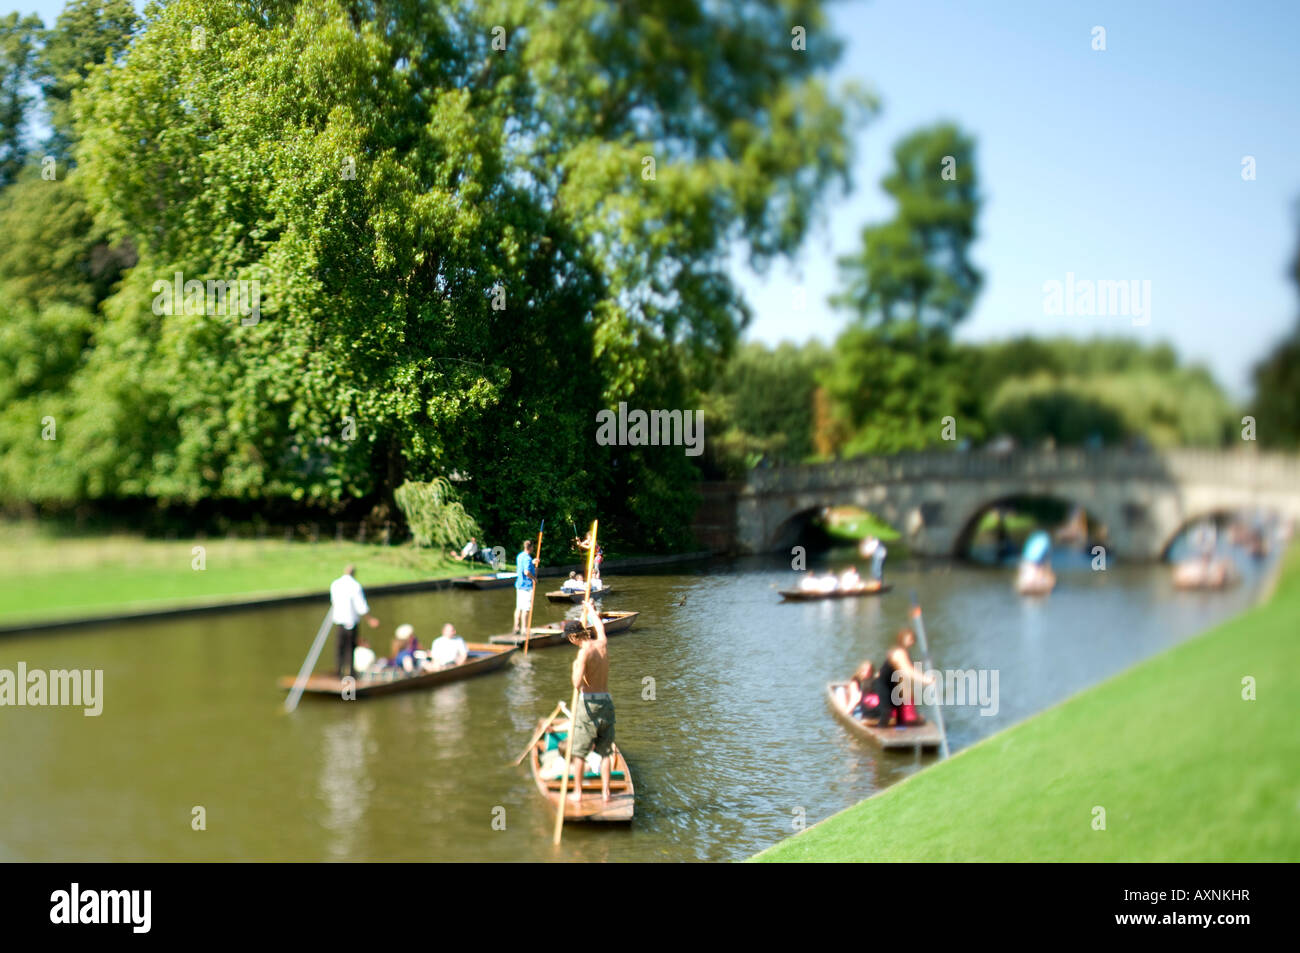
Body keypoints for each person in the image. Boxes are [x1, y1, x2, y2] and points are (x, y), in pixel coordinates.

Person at [564, 601, 615, 806]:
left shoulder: (583, 653)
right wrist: (590, 609)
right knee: (605, 751)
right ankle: (606, 793)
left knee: (578, 752)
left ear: (573, 637)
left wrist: (576, 667)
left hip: (590, 704)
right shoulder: (602, 643)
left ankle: (578, 792)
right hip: (607, 701)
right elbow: (600, 627)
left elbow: (577, 684)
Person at [872, 627, 935, 728]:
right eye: (909, 638)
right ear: (902, 639)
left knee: (899, 710)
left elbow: (908, 672)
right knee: (886, 712)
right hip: (884, 685)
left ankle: (900, 731)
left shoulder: (905, 653)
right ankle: (877, 732)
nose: (911, 641)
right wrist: (926, 680)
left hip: (894, 686)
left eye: (912, 638)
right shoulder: (898, 653)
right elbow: (908, 670)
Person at [329, 565, 380, 678]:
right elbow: (361, 607)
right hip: (351, 622)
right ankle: (351, 673)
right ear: (354, 573)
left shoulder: (335, 584)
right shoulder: (355, 586)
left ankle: (339, 672)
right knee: (350, 648)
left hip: (339, 621)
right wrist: (370, 619)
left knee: (340, 647)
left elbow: (333, 601)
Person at [513, 539, 537, 634]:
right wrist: (534, 578)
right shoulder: (527, 558)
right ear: (530, 547)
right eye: (532, 547)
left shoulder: (520, 556)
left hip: (519, 585)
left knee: (519, 607)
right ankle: (524, 629)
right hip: (526, 586)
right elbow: (526, 572)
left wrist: (532, 563)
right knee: (526, 608)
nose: (533, 548)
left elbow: (524, 566)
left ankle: (516, 627)